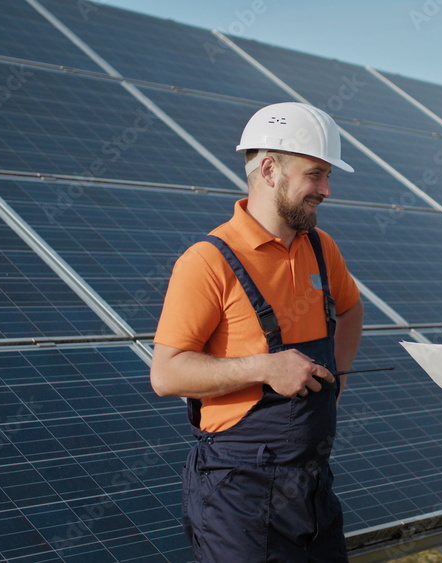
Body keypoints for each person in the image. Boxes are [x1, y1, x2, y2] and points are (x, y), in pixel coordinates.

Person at [150, 101, 364, 562]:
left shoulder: (322, 248)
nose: (326, 189)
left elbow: (350, 310)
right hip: (237, 496)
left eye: (328, 176)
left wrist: (338, 379)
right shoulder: (207, 261)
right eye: (315, 174)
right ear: (269, 169)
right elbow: (166, 375)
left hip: (313, 488)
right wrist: (266, 367)